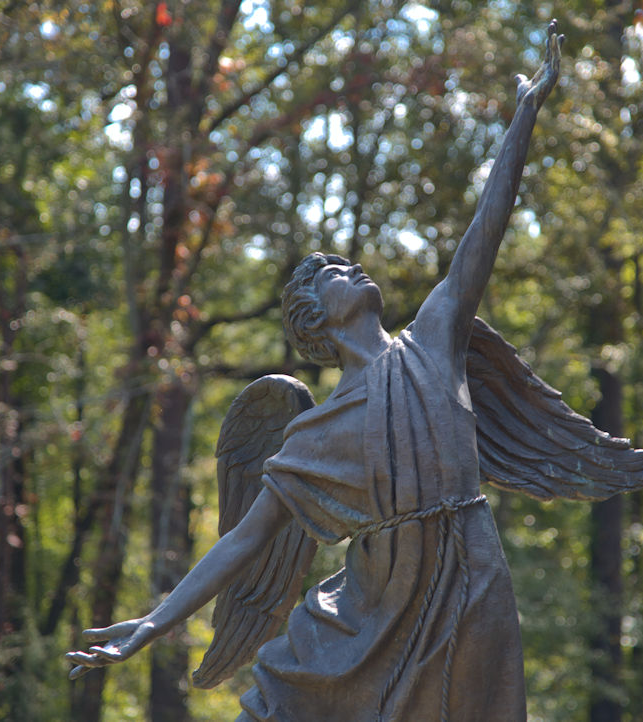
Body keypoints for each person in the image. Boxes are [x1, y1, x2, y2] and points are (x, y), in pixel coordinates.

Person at [69, 23, 575, 720]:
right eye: (334, 273)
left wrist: (525, 113)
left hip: (470, 579)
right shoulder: (315, 431)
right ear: (315, 322)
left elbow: (486, 226)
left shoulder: (432, 340)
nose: (352, 267)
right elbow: (245, 539)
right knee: (278, 697)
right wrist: (155, 623)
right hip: (372, 610)